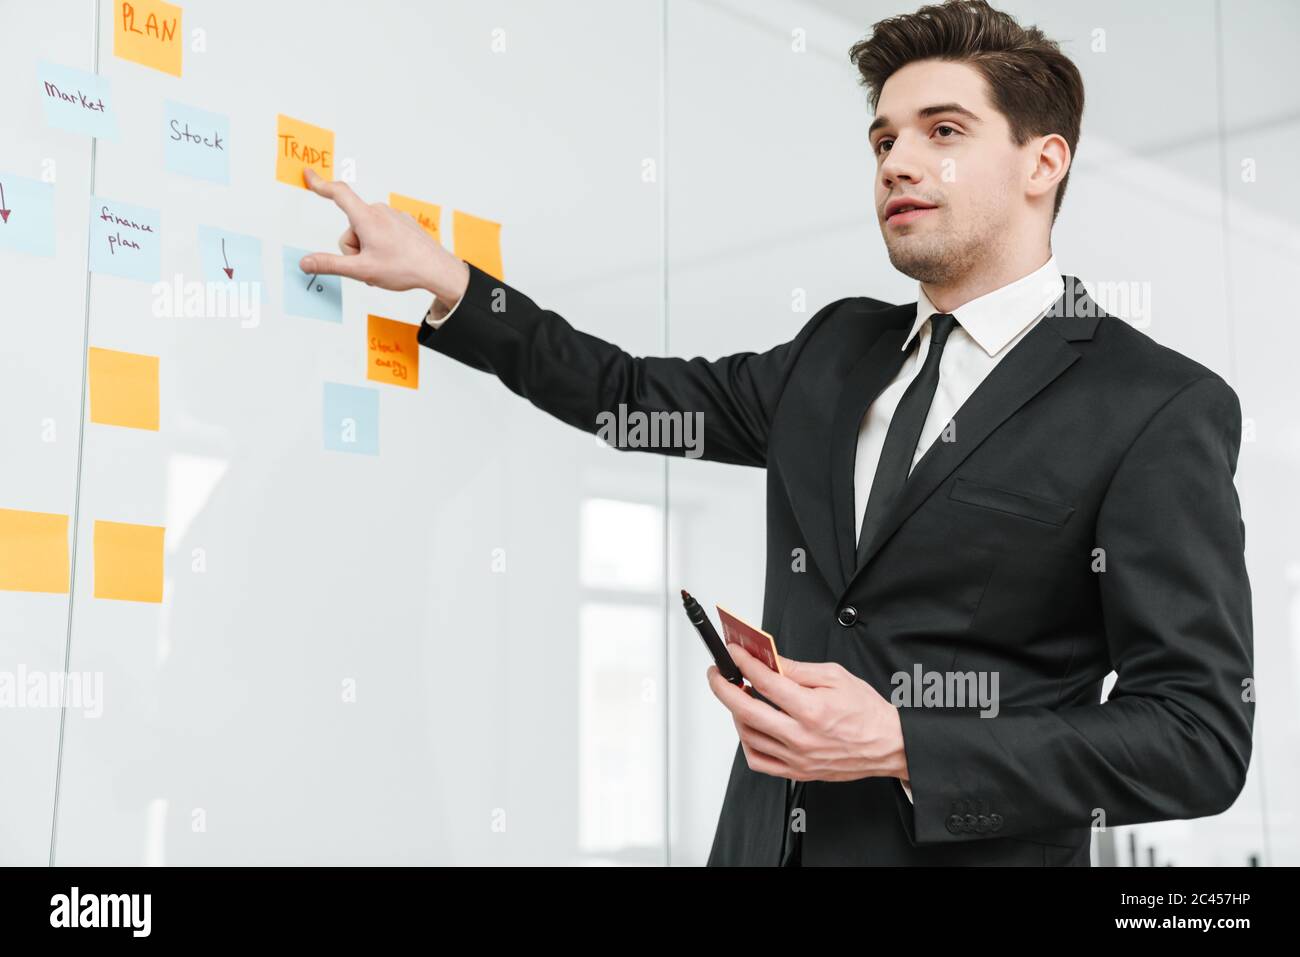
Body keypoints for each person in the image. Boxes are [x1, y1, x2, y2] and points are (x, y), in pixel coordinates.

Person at [299, 0, 1253, 866]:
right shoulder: (837, 349)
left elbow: (1199, 738)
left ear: (1044, 161)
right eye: (883, 138)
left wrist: (906, 743)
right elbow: (625, 394)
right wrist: (452, 284)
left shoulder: (1154, 405)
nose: (897, 162)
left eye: (943, 131)